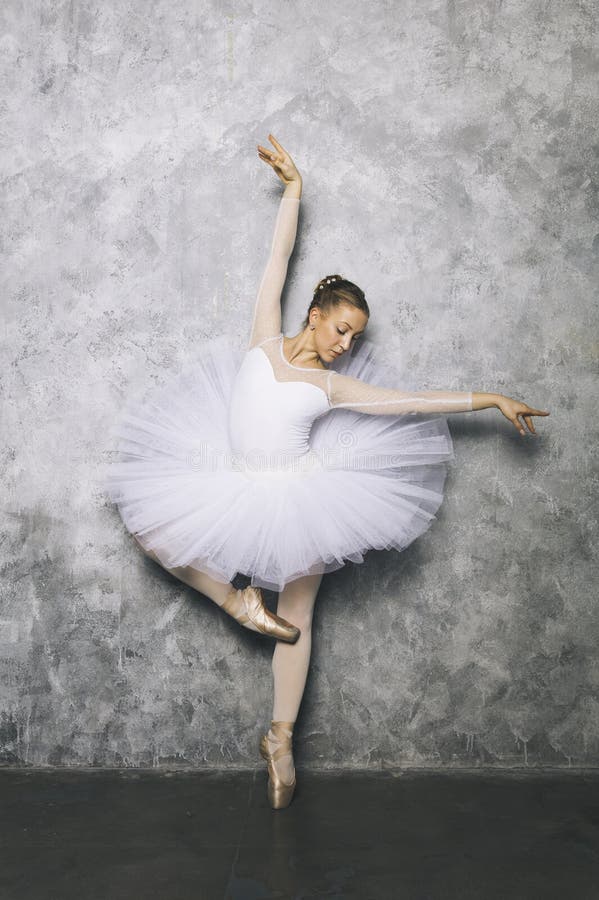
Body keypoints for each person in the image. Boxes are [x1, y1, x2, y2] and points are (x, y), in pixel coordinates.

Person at [103, 134, 550, 809]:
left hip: (299, 494)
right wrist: (294, 190)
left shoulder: (332, 388)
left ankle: (279, 738)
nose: (346, 345)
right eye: (341, 329)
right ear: (315, 317)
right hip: (230, 480)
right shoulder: (262, 338)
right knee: (150, 531)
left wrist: (486, 396)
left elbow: (411, 403)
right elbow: (276, 260)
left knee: (301, 613)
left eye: (356, 338)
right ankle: (236, 602)